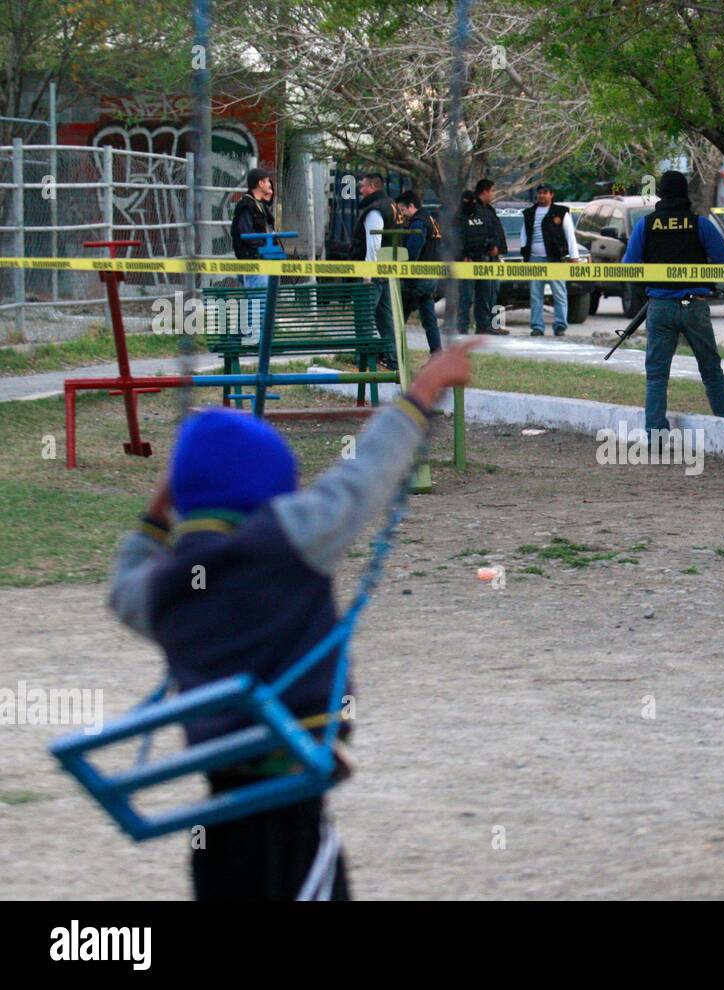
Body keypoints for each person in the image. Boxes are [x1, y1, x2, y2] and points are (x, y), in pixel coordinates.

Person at [106, 341, 482, 899]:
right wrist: (425, 388)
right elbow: (365, 477)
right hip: (286, 808)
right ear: (272, 489)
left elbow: (121, 587)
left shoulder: (162, 589)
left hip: (221, 809)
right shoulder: (288, 540)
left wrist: (159, 508)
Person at [622, 170, 724, 437]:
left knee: (657, 375)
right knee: (711, 369)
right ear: (685, 193)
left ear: (660, 193)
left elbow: (629, 266)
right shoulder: (701, 224)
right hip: (694, 305)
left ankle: (655, 435)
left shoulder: (646, 225)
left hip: (659, 306)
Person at [350, 173, 401, 369]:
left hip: (372, 272)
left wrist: (367, 273)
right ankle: (393, 360)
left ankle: (363, 360)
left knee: (363, 317)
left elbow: (374, 244)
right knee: (386, 319)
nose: (360, 190)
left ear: (372, 187)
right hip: (387, 271)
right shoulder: (393, 206)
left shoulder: (375, 210)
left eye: (363, 186)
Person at [522, 183, 580, 337]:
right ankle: (537, 327)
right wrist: (525, 256)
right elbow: (524, 235)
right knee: (535, 295)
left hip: (555, 259)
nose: (541, 196)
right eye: (539, 193)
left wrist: (574, 257)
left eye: (545, 193)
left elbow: (570, 235)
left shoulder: (561, 212)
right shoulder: (529, 213)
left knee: (559, 293)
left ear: (551, 195)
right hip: (534, 259)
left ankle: (560, 326)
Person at [229, 167, 278, 340]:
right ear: (260, 183)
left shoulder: (260, 205)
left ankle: (254, 338)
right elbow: (245, 233)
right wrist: (263, 245)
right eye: (267, 181)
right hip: (253, 259)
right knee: (258, 300)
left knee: (260, 300)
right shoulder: (246, 204)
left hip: (263, 259)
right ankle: (251, 338)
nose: (269, 184)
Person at [395, 190, 444, 353]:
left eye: (402, 210)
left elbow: (412, 252)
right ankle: (437, 353)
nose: (402, 215)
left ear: (411, 206)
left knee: (398, 317)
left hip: (417, 278)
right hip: (431, 276)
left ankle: (391, 353)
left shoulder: (418, 222)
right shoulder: (431, 219)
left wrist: (402, 268)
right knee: (429, 319)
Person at [457, 181, 508, 335]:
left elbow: (493, 233)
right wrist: (463, 255)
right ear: (485, 191)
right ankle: (463, 327)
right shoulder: (469, 211)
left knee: (488, 295)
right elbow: (460, 236)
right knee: (466, 296)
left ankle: (486, 326)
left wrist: (495, 247)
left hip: (488, 259)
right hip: (470, 260)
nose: (493, 194)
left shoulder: (488, 211)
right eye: (492, 191)